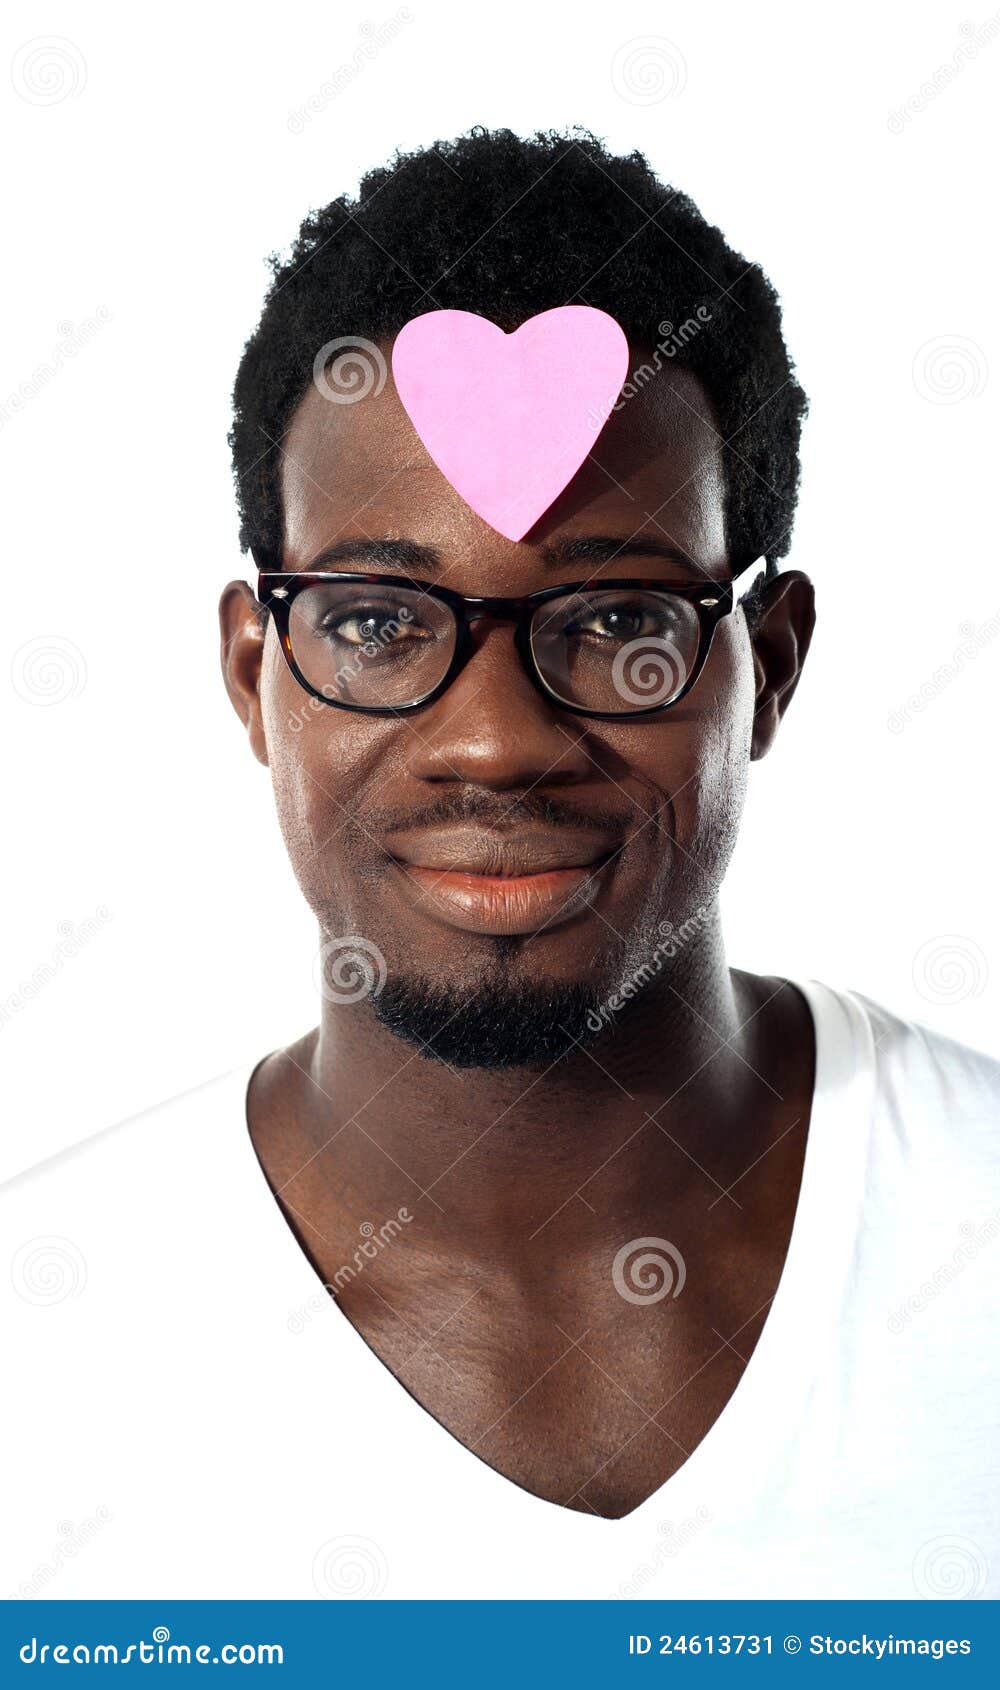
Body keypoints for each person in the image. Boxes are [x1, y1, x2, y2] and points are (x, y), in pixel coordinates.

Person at [3, 129, 998, 1602]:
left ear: (770, 667)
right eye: (375, 620)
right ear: (248, 674)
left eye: (615, 618)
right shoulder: (42, 1354)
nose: (494, 741)